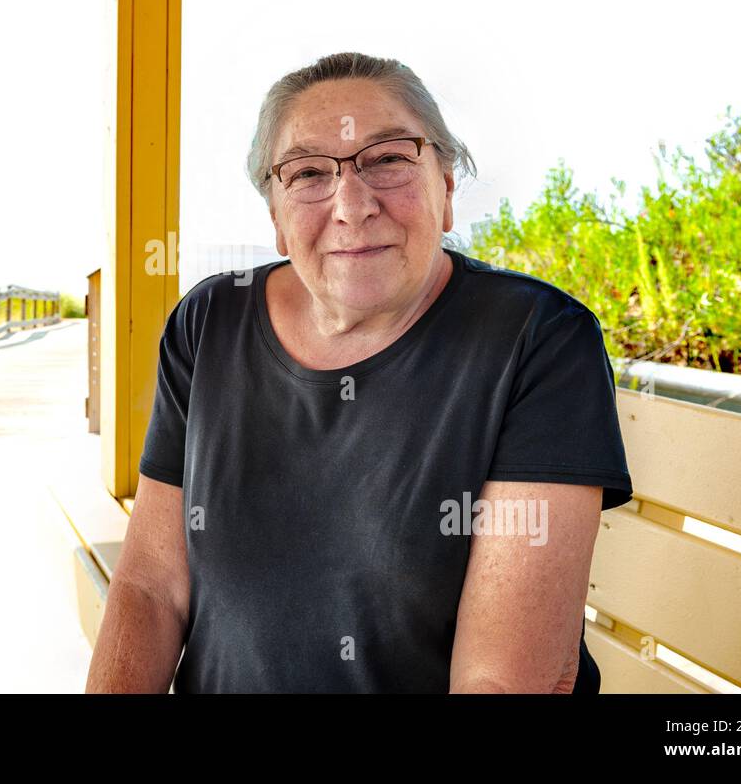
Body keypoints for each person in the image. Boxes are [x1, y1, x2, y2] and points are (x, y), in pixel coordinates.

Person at [85, 51, 634, 693]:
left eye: (389, 158)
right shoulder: (209, 322)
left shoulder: (537, 339)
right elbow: (152, 588)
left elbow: (503, 681)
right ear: (276, 218)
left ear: (447, 188)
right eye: (309, 171)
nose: (352, 204)